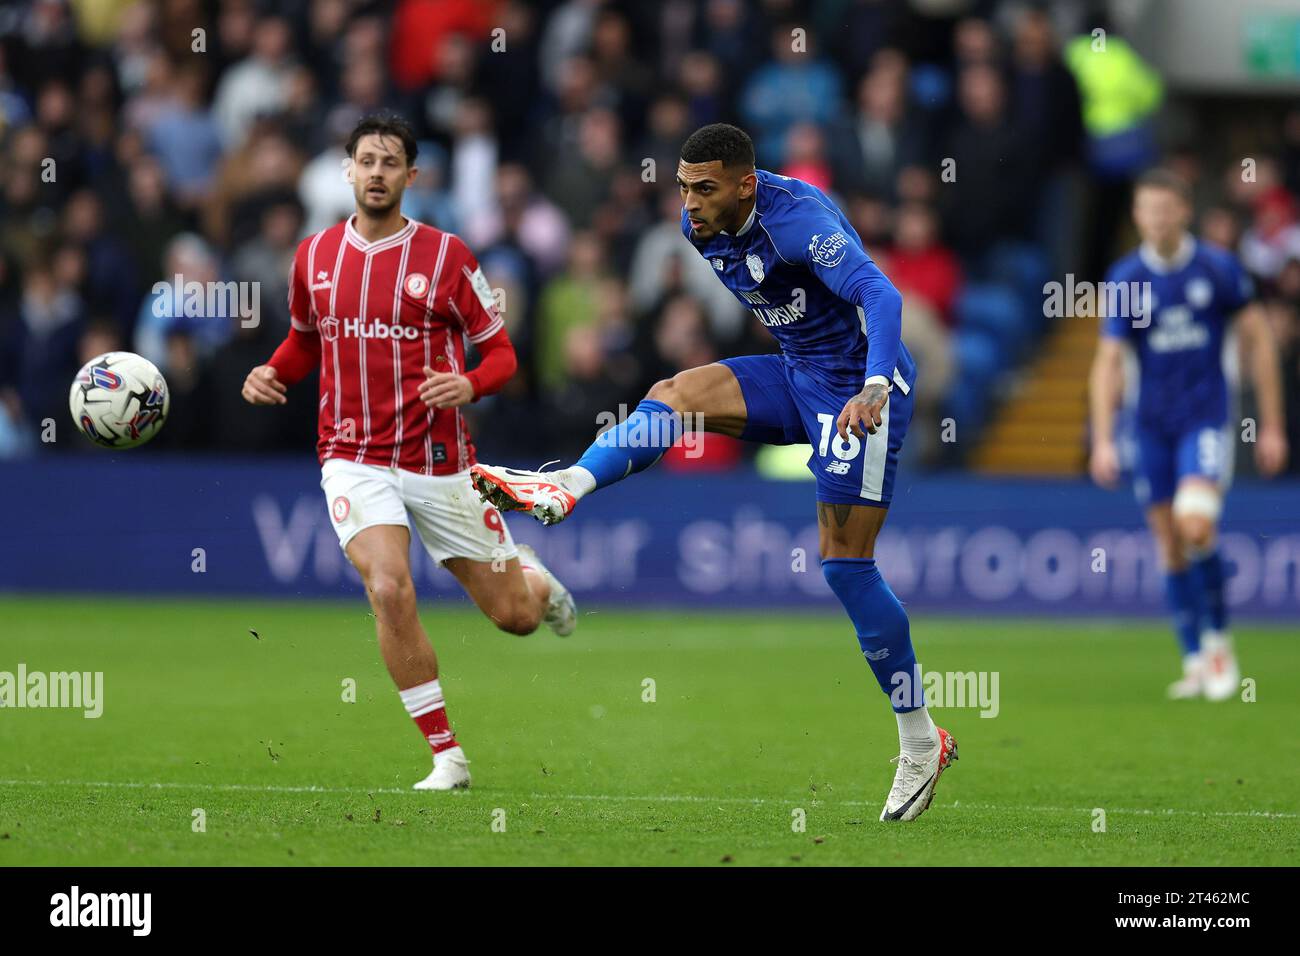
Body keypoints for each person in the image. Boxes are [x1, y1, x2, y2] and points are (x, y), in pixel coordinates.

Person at [471, 123, 957, 822]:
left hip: (860, 394)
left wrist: (875, 383)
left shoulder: (801, 224)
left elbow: (880, 298)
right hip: (797, 375)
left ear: (745, 184)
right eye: (683, 187)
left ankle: (920, 739)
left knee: (846, 567)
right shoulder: (697, 228)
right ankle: (565, 485)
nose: (690, 203)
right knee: (676, 393)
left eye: (704, 188)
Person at [241, 114, 576, 791]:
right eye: (366, 160)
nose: (376, 172)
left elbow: (504, 354)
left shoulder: (449, 257)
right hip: (351, 454)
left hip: (440, 461)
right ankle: (447, 756)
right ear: (348, 169)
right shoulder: (313, 256)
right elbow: (308, 339)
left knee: (514, 617)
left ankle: (537, 581)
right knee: (389, 585)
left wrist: (471, 382)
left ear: (411, 177)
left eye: (390, 162)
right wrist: (273, 370)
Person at [1089, 169, 1289, 700]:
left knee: (1195, 525)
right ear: (1136, 216)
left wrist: (1271, 425)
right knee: (1169, 543)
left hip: (1205, 419)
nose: (1156, 219)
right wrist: (1105, 438)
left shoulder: (1218, 269)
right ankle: (1194, 657)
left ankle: (1220, 642)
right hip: (1149, 425)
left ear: (1184, 212)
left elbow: (1259, 343)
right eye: (1146, 209)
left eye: (1165, 208)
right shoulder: (1126, 277)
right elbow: (1109, 361)